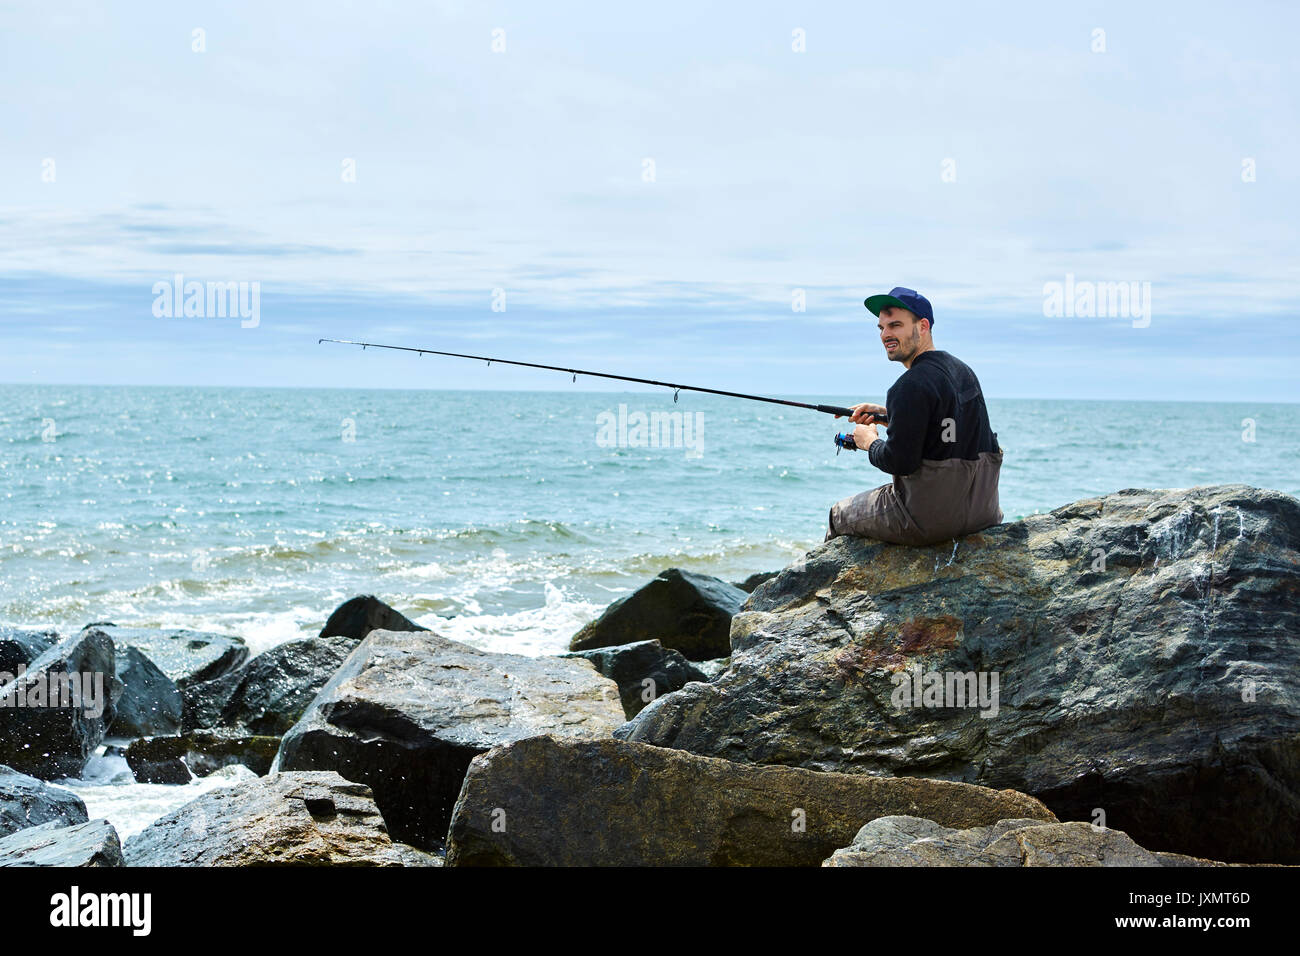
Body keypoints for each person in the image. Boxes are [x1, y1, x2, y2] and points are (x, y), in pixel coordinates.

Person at [825, 287, 1003, 546]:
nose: (886, 335)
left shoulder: (909, 386)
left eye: (895, 325)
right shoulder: (963, 372)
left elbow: (899, 462)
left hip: (929, 521)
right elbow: (950, 430)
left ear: (923, 326)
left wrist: (868, 441)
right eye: (881, 328)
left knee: (838, 514)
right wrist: (890, 415)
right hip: (981, 512)